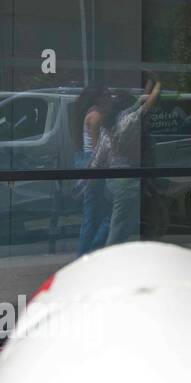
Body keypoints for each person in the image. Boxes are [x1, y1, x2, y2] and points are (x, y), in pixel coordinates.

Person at [92, 73, 163, 247]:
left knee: (121, 225)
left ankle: (104, 257)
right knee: (119, 229)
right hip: (127, 181)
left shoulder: (109, 125)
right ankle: (108, 262)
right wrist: (160, 82)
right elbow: (145, 105)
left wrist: (150, 84)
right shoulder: (126, 123)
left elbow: (138, 103)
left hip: (113, 180)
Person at [73, 84, 112, 255]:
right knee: (99, 212)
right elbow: (98, 149)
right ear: (98, 98)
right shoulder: (96, 116)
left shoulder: (90, 113)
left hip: (86, 160)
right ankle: (89, 253)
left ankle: (87, 253)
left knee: (93, 212)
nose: (110, 99)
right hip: (93, 162)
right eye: (107, 95)